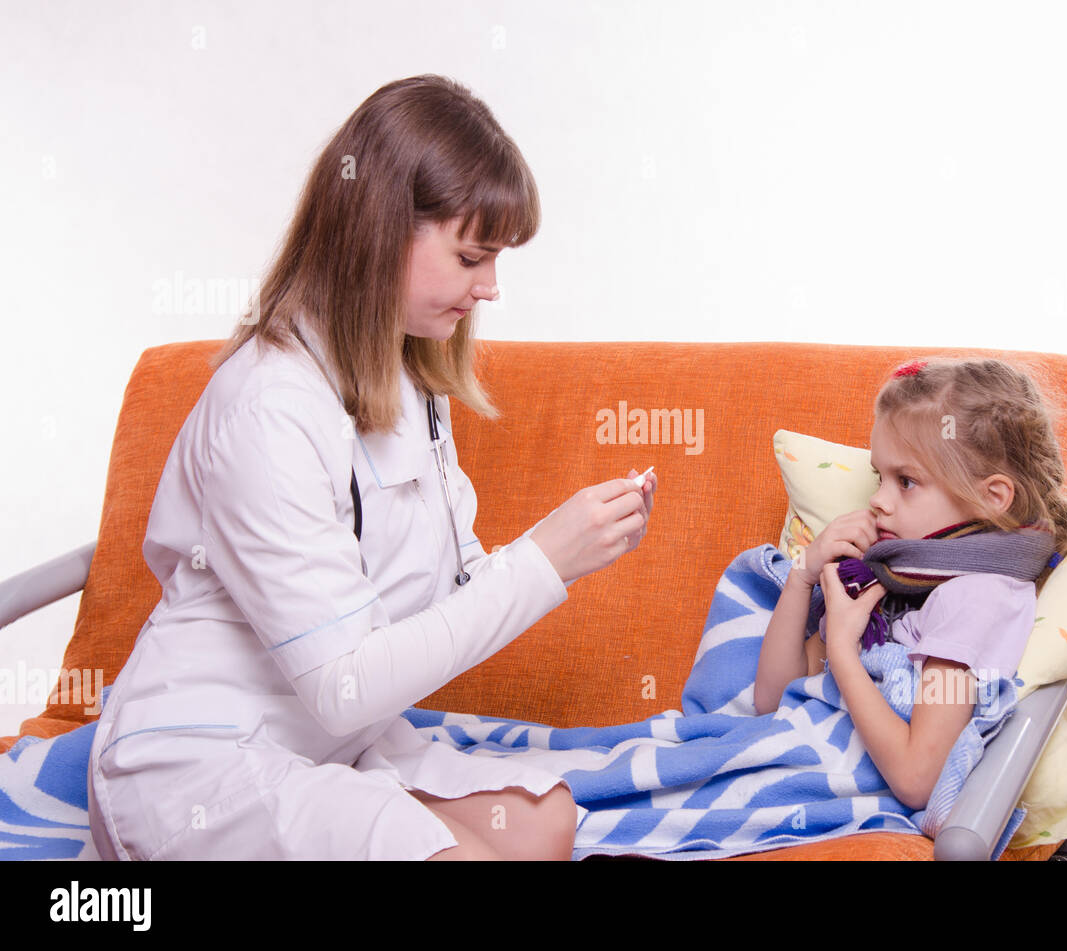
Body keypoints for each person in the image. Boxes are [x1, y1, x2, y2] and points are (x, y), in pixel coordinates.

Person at [87, 75, 658, 861]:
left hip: (328, 742)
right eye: (470, 256)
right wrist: (544, 559)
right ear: (380, 230)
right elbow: (342, 683)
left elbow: (457, 593)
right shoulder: (269, 406)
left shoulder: (412, 381)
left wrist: (569, 548)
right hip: (200, 759)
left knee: (544, 823)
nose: (489, 286)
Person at [754, 357, 1067, 812]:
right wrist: (803, 575)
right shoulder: (893, 581)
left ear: (992, 498)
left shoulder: (973, 598)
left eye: (906, 481)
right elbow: (771, 701)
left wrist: (845, 652)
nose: (877, 500)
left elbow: (916, 779)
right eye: (879, 477)